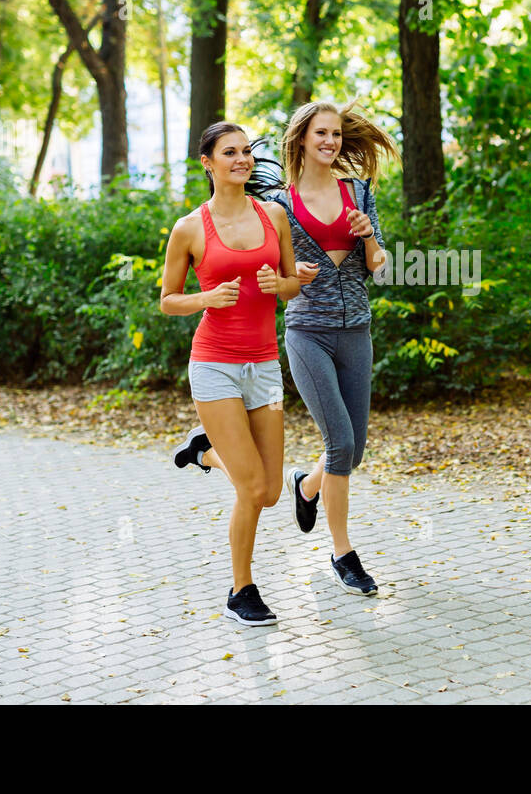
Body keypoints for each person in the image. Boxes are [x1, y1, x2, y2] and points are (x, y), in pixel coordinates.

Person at [160, 122, 314, 626]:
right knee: (251, 490)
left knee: (270, 492)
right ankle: (241, 591)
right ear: (208, 162)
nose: (242, 159)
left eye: (246, 151)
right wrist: (205, 298)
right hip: (215, 366)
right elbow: (167, 301)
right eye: (230, 152)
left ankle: (203, 451)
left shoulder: (274, 215)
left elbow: (292, 287)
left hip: (265, 367)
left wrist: (280, 283)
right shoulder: (189, 228)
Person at [269, 100, 397, 596]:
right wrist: (290, 278)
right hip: (308, 333)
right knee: (340, 443)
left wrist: (370, 240)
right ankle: (343, 555)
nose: (331, 141)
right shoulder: (280, 206)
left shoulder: (359, 192)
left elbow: (380, 265)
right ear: (302, 138)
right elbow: (274, 281)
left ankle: (305, 486)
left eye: (337, 134)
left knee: (353, 449)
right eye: (321, 133)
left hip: (356, 332)